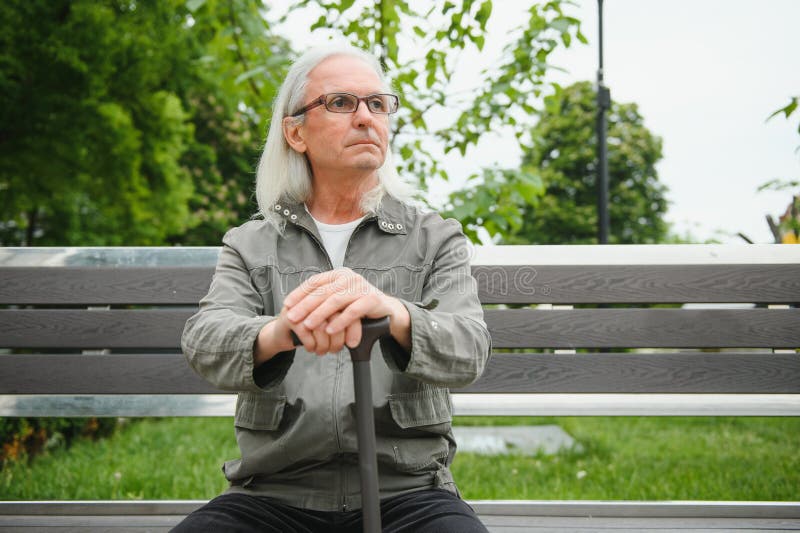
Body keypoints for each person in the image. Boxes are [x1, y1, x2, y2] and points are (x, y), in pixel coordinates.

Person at [175, 43, 491, 533]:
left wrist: (395, 313)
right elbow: (205, 339)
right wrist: (281, 331)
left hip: (409, 495)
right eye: (341, 103)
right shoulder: (251, 244)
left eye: (378, 103)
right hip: (272, 494)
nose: (366, 117)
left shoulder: (435, 238)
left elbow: (469, 347)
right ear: (295, 132)